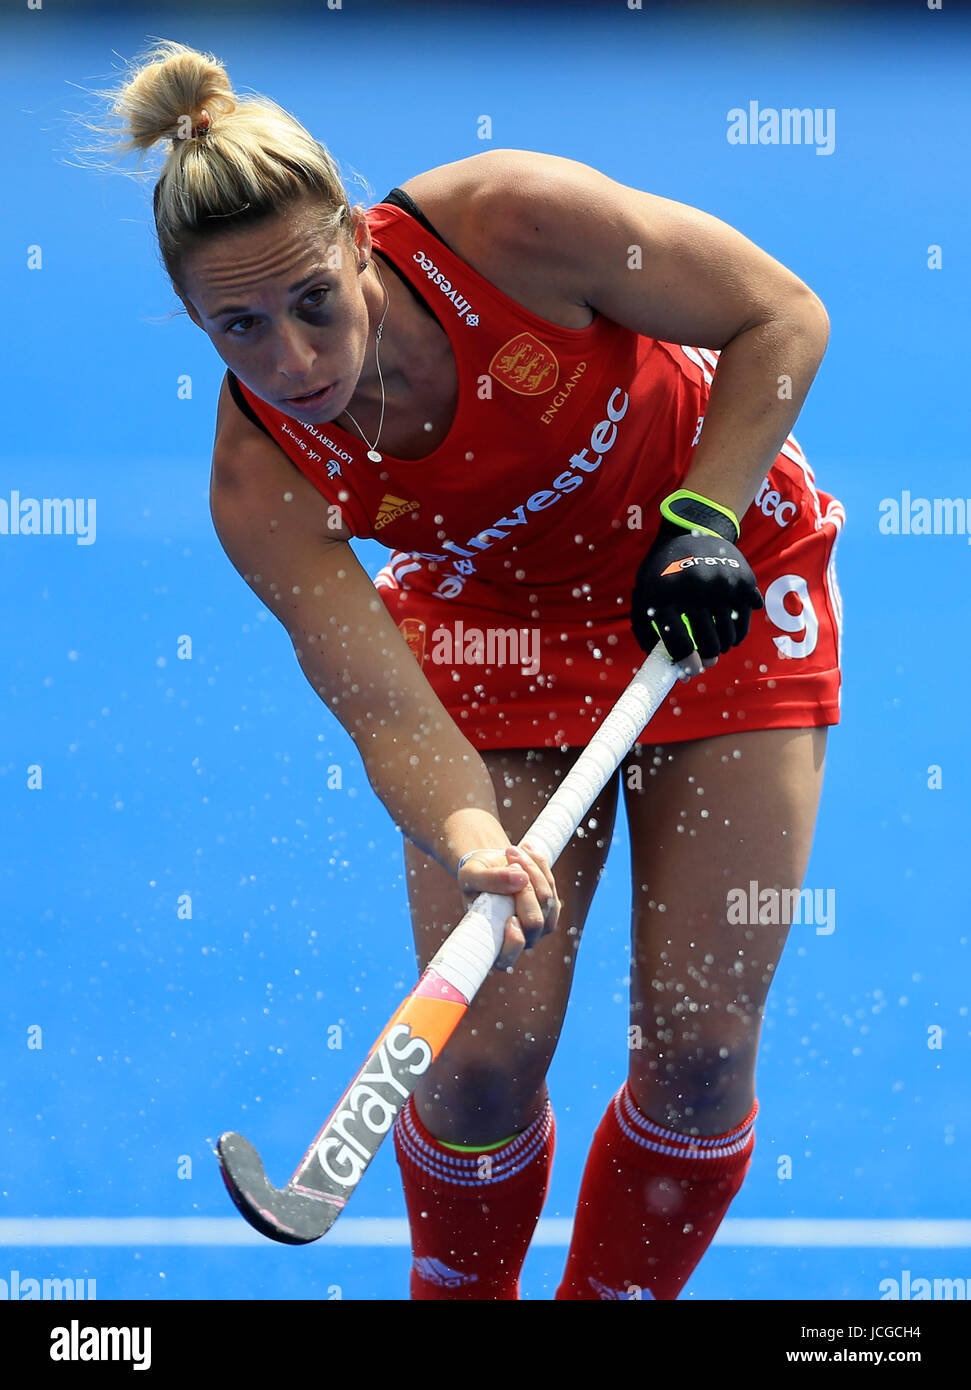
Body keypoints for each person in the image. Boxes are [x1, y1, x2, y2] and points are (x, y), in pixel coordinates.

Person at [85, 39, 844, 1300]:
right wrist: (465, 834)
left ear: (362, 243)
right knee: (478, 1062)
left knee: (699, 1048)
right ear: (193, 321)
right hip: (493, 629)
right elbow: (387, 711)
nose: (291, 359)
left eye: (312, 301)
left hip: (717, 574)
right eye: (239, 328)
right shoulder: (256, 481)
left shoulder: (511, 224)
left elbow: (781, 314)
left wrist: (702, 517)